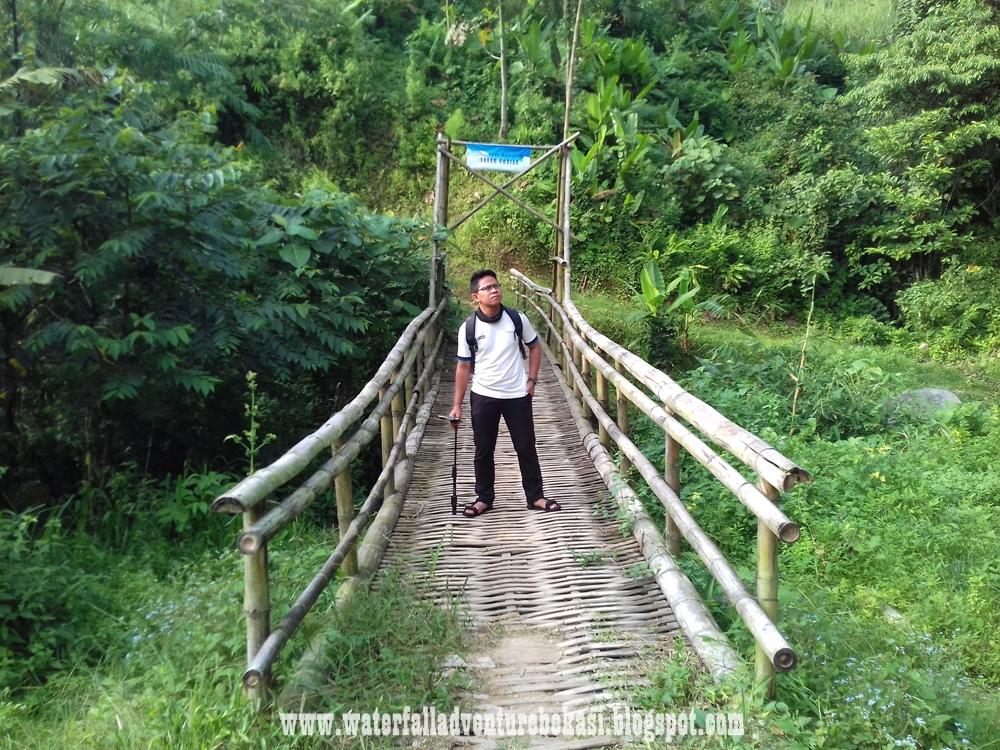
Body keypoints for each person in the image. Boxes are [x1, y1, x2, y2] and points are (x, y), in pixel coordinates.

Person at [448, 269, 561, 517]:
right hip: (483, 394)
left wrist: (531, 380)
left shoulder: (516, 319)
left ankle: (536, 497)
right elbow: (463, 367)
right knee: (483, 449)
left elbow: (535, 347)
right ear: (476, 296)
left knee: (526, 447)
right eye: (487, 288)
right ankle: (484, 498)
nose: (494, 290)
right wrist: (457, 405)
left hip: (516, 394)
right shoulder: (468, 328)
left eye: (496, 285)